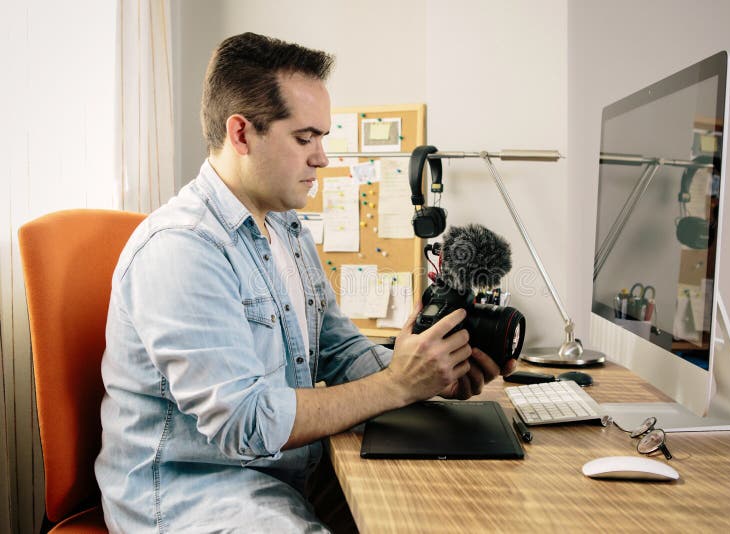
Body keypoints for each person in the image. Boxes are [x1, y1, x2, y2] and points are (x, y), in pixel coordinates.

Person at [95, 32, 514, 533]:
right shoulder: (181, 248)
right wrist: (397, 383)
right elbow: (244, 423)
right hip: (193, 495)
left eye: (323, 138)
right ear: (242, 134)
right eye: (305, 138)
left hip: (284, 477)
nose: (323, 158)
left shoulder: (286, 228)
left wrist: (431, 372)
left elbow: (341, 355)